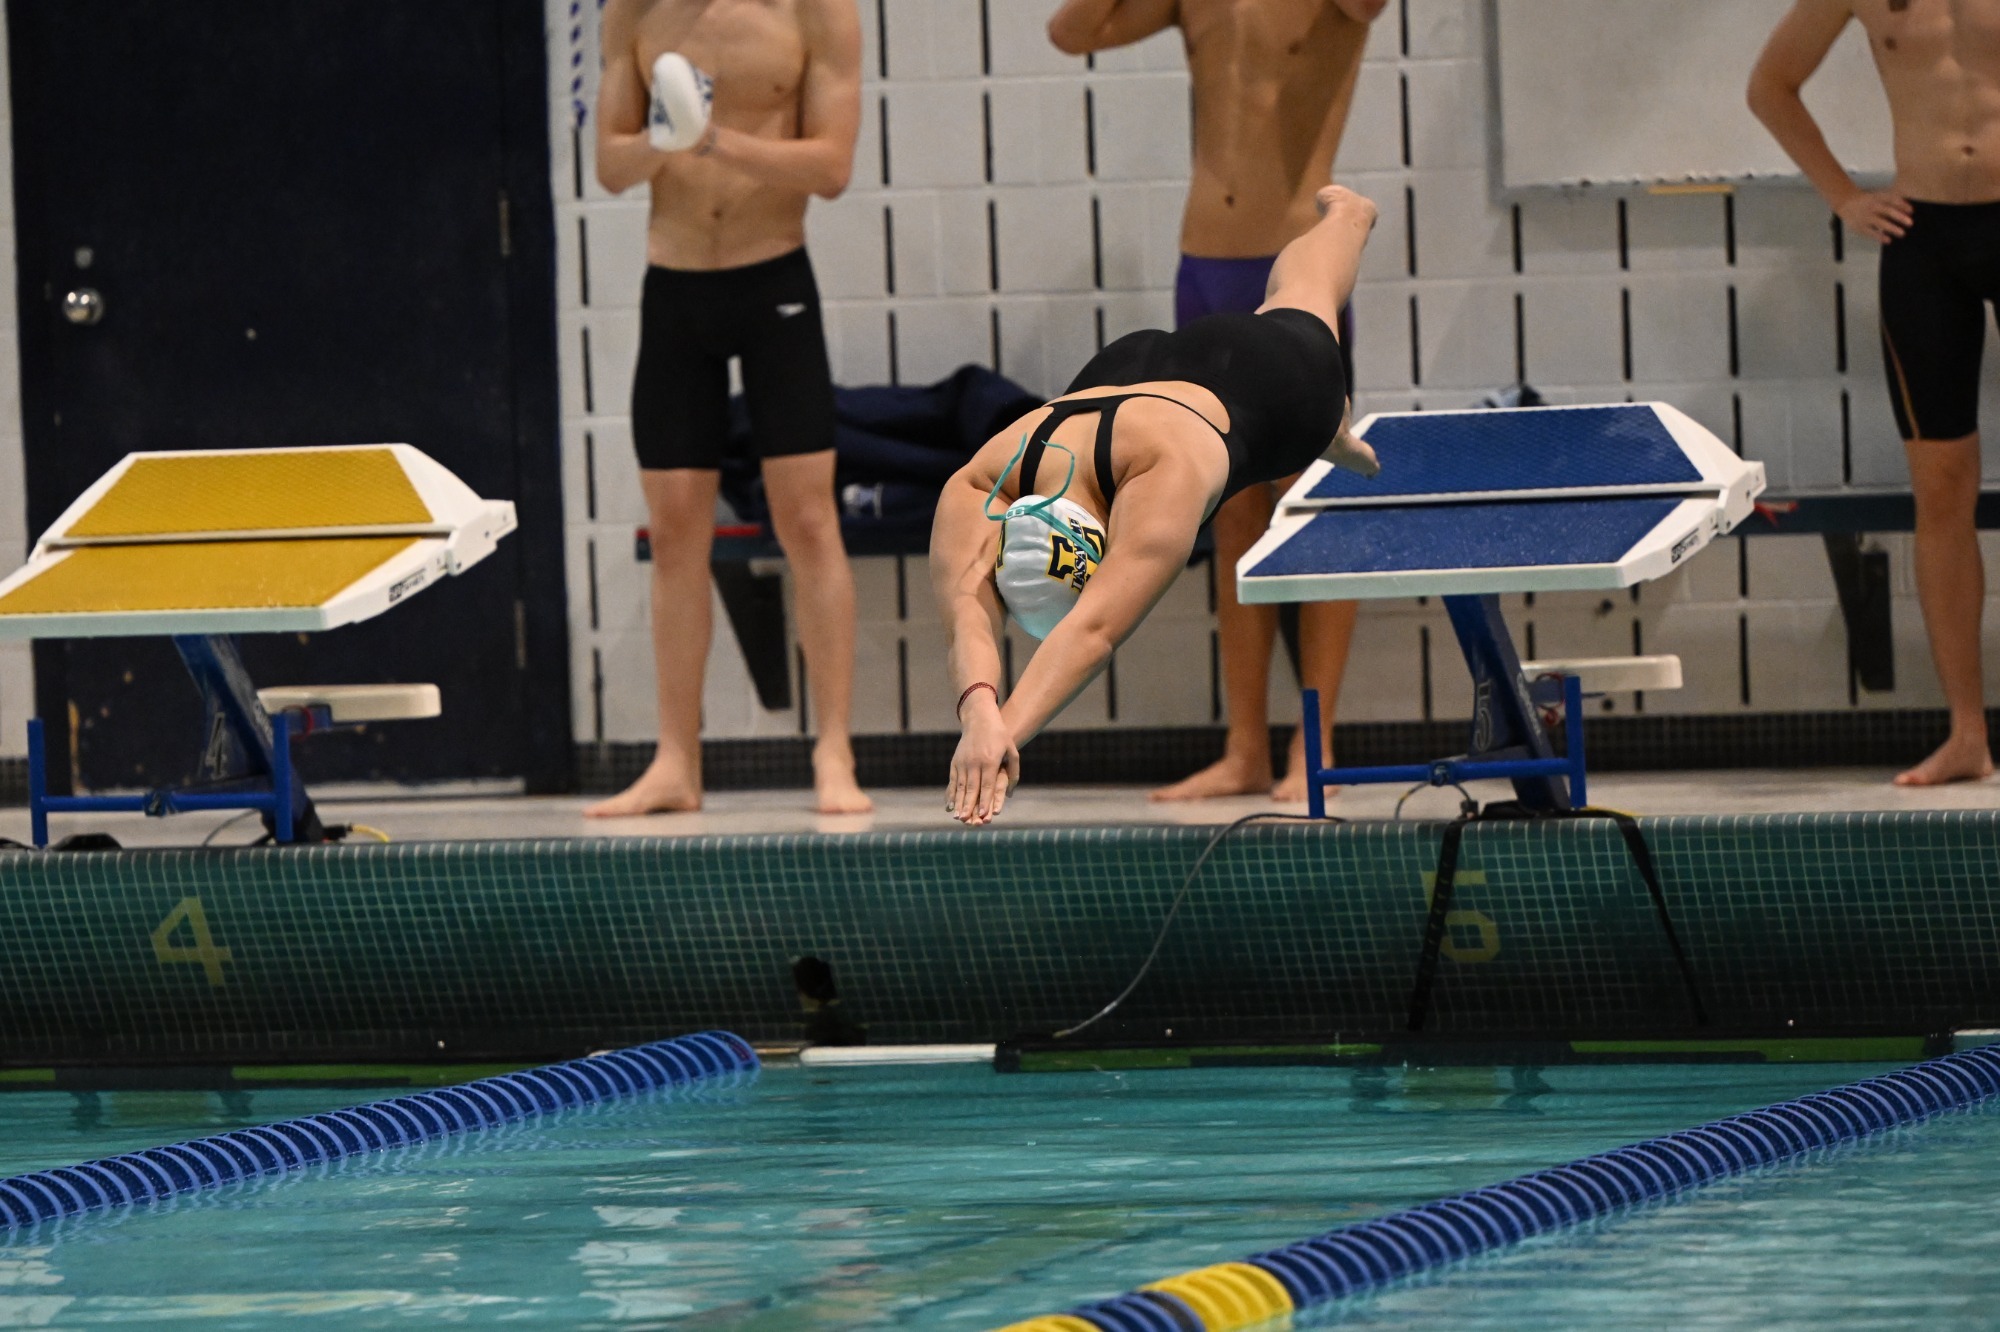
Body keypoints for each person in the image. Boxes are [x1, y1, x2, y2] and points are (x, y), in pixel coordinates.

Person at [932, 186, 1380, 826]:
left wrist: (1006, 734)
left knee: (1307, 296)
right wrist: (980, 714)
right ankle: (1328, 426)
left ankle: (1351, 219)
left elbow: (1095, 631)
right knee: (1292, 296)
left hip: (1273, 389)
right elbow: (968, 610)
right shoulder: (986, 477)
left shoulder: (1159, 480)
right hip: (1125, 370)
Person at [1048, 0, 1389, 803]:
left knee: (1307, 499)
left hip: (1292, 270)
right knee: (1226, 507)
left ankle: (1318, 743)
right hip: (1201, 262)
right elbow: (1071, 33)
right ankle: (1243, 748)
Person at [587, 0, 872, 815]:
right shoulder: (632, 13)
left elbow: (833, 166)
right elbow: (609, 165)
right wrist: (659, 142)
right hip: (674, 287)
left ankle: (835, 751)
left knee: (809, 519)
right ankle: (677, 760)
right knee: (677, 527)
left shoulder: (816, 12)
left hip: (773, 277)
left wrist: (711, 140)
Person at [1749, 0, 2000, 786]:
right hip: (1924, 245)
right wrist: (1842, 195)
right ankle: (1967, 734)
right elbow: (1771, 86)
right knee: (1941, 488)